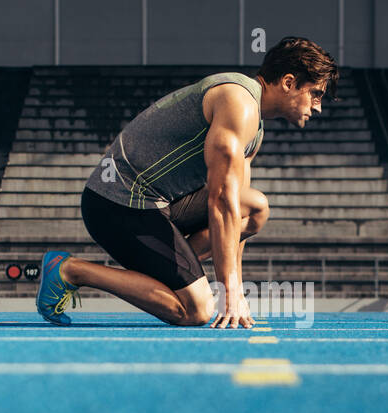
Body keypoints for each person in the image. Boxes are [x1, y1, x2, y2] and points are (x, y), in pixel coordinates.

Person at [35, 36, 338, 328]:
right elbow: (220, 201)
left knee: (255, 206)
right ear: (288, 82)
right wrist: (227, 294)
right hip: (116, 203)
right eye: (316, 94)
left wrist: (236, 291)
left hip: (158, 204)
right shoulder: (238, 103)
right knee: (196, 311)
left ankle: (166, 270)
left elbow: (234, 212)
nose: (318, 107)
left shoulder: (254, 129)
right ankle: (71, 270)